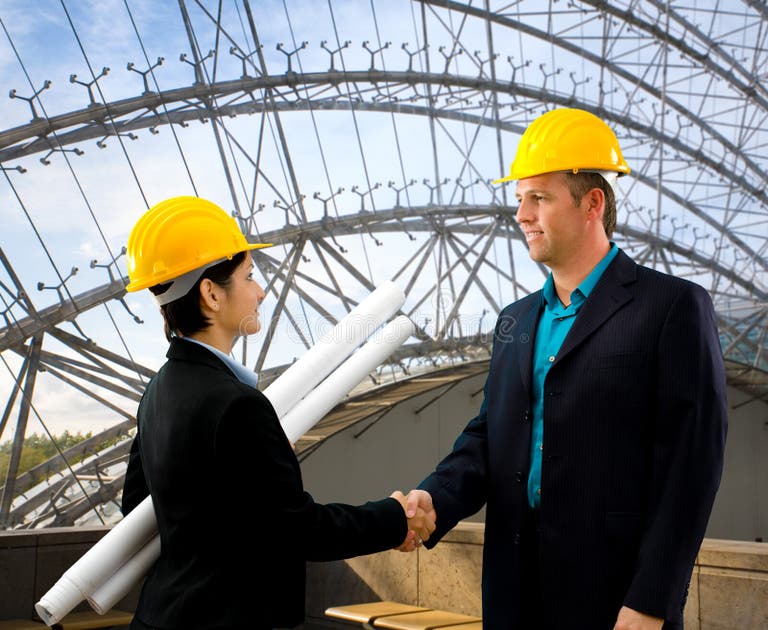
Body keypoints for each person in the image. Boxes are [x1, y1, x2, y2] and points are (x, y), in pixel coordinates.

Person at [403, 108, 727, 629]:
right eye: (519, 200)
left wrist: (650, 602)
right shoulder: (516, 321)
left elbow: (690, 469)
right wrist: (433, 500)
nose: (522, 215)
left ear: (592, 203)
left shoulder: (671, 308)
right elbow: (490, 439)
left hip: (614, 599)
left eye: (539, 198)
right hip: (514, 594)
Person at [120, 196, 435, 630]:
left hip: (161, 616)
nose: (261, 290)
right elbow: (298, 530)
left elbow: (140, 511)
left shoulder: (157, 392)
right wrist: (394, 517)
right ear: (211, 294)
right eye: (249, 277)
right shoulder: (238, 404)